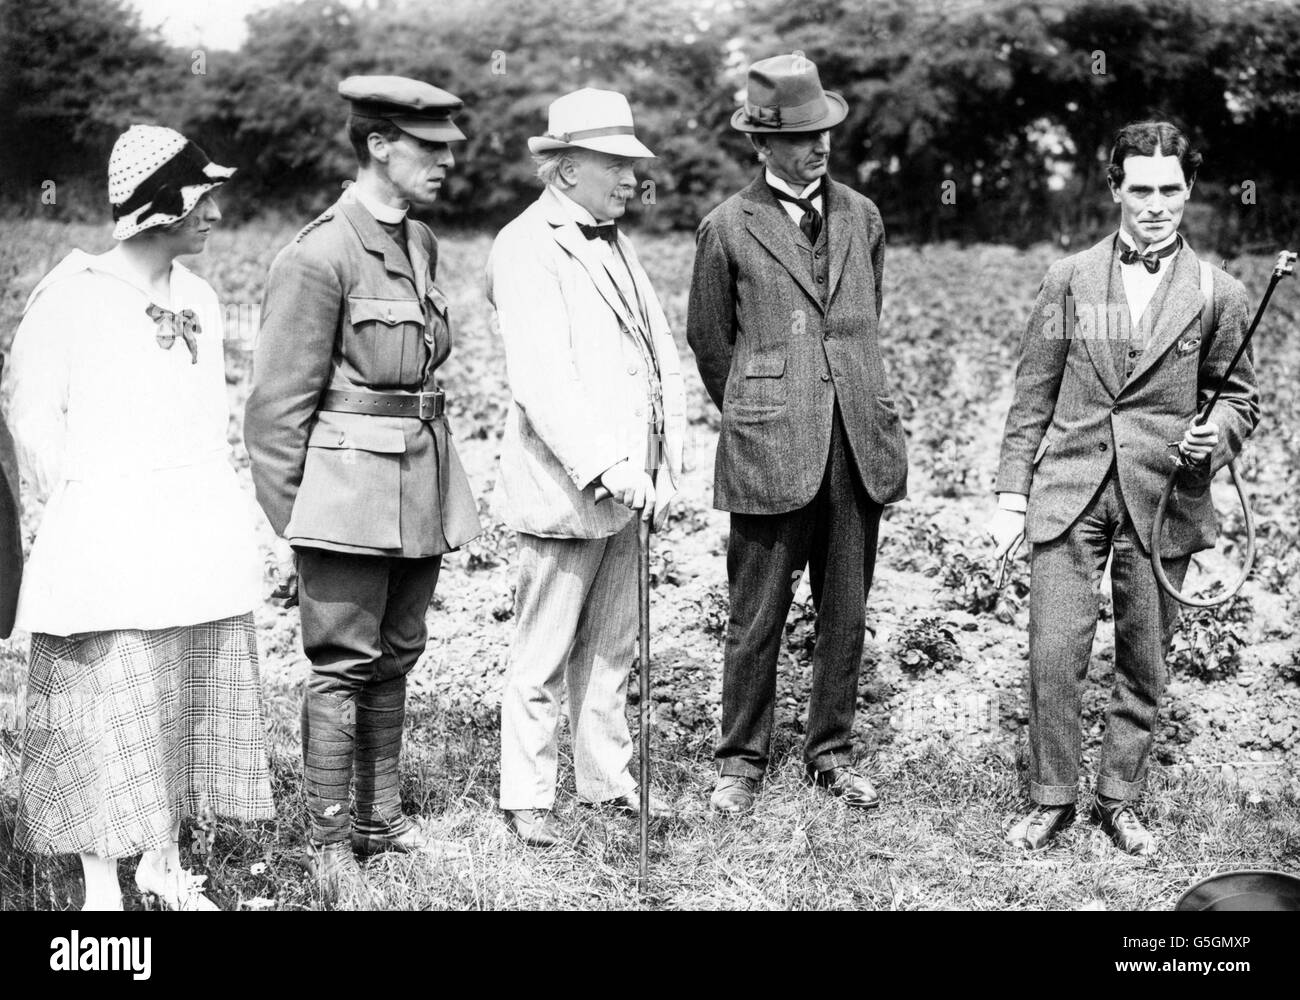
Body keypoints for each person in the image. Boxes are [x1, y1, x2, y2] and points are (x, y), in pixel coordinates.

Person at [4, 124, 273, 910]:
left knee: (177, 686)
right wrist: (95, 500)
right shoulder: (74, 297)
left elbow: (208, 421)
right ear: (163, 208)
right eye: (203, 199)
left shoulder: (201, 299)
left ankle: (161, 863)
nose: (216, 214)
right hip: (109, 533)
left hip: (191, 529)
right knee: (107, 700)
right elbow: (31, 418)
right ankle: (101, 889)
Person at [990, 121, 1259, 856]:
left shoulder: (1219, 293)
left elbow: (1240, 398)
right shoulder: (1068, 280)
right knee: (1053, 652)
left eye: (1170, 189)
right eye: (1139, 188)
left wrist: (1218, 435)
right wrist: (1012, 495)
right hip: (1069, 490)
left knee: (1144, 657)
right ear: (1114, 189)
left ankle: (1120, 798)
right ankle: (1051, 798)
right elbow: (1031, 395)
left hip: (1164, 496)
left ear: (1189, 190)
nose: (1155, 204)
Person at [243, 75, 480, 904]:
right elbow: (275, 411)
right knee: (342, 664)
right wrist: (302, 520)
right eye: (431, 148)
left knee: (397, 658)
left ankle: (383, 823)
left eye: (451, 147)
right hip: (344, 504)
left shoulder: (420, 243)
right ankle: (329, 835)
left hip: (419, 488)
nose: (449, 162)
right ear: (379, 144)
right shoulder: (317, 254)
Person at [687, 54, 908, 815]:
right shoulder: (725, 228)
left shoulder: (862, 216)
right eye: (804, 136)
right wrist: (761, 411)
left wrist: (841, 400)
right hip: (768, 449)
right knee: (756, 616)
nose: (820, 147)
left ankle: (830, 753)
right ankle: (740, 762)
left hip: (857, 443)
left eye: (826, 132)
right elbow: (711, 341)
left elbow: (861, 322)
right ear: (761, 144)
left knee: (845, 610)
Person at [486, 88, 686, 847]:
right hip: (566, 489)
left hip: (631, 488)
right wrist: (608, 465)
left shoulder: (612, 237)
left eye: (634, 164)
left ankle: (607, 783)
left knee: (611, 649)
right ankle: (527, 795)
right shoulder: (527, 244)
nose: (633, 177)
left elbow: (657, 358)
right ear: (564, 169)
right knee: (543, 651)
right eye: (616, 164)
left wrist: (664, 466)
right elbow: (543, 379)